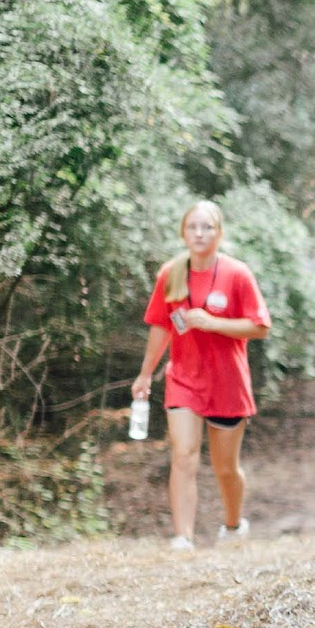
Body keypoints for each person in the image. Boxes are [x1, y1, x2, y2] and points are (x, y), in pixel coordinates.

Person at [134, 201, 272, 550]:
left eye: (207, 227)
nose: (199, 233)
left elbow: (260, 326)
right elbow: (161, 328)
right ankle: (183, 538)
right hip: (184, 380)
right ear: (183, 232)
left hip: (227, 385)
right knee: (184, 455)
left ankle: (233, 525)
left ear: (219, 233)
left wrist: (213, 323)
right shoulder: (171, 274)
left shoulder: (237, 274)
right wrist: (145, 374)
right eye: (193, 226)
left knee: (225, 469)